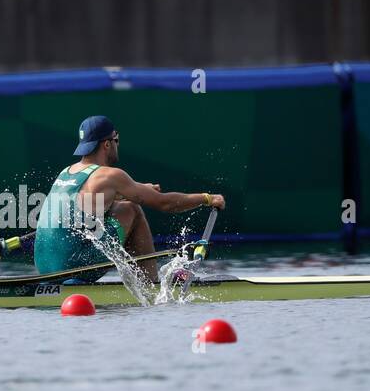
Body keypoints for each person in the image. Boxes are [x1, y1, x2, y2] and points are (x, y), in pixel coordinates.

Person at [33, 116, 226, 282]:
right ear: (107, 144)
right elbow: (164, 203)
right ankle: (151, 285)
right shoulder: (110, 175)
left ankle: (141, 280)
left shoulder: (67, 172)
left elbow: (96, 198)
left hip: (44, 267)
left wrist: (139, 189)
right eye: (116, 139)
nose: (118, 144)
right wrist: (207, 198)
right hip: (71, 265)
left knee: (117, 208)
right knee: (131, 209)